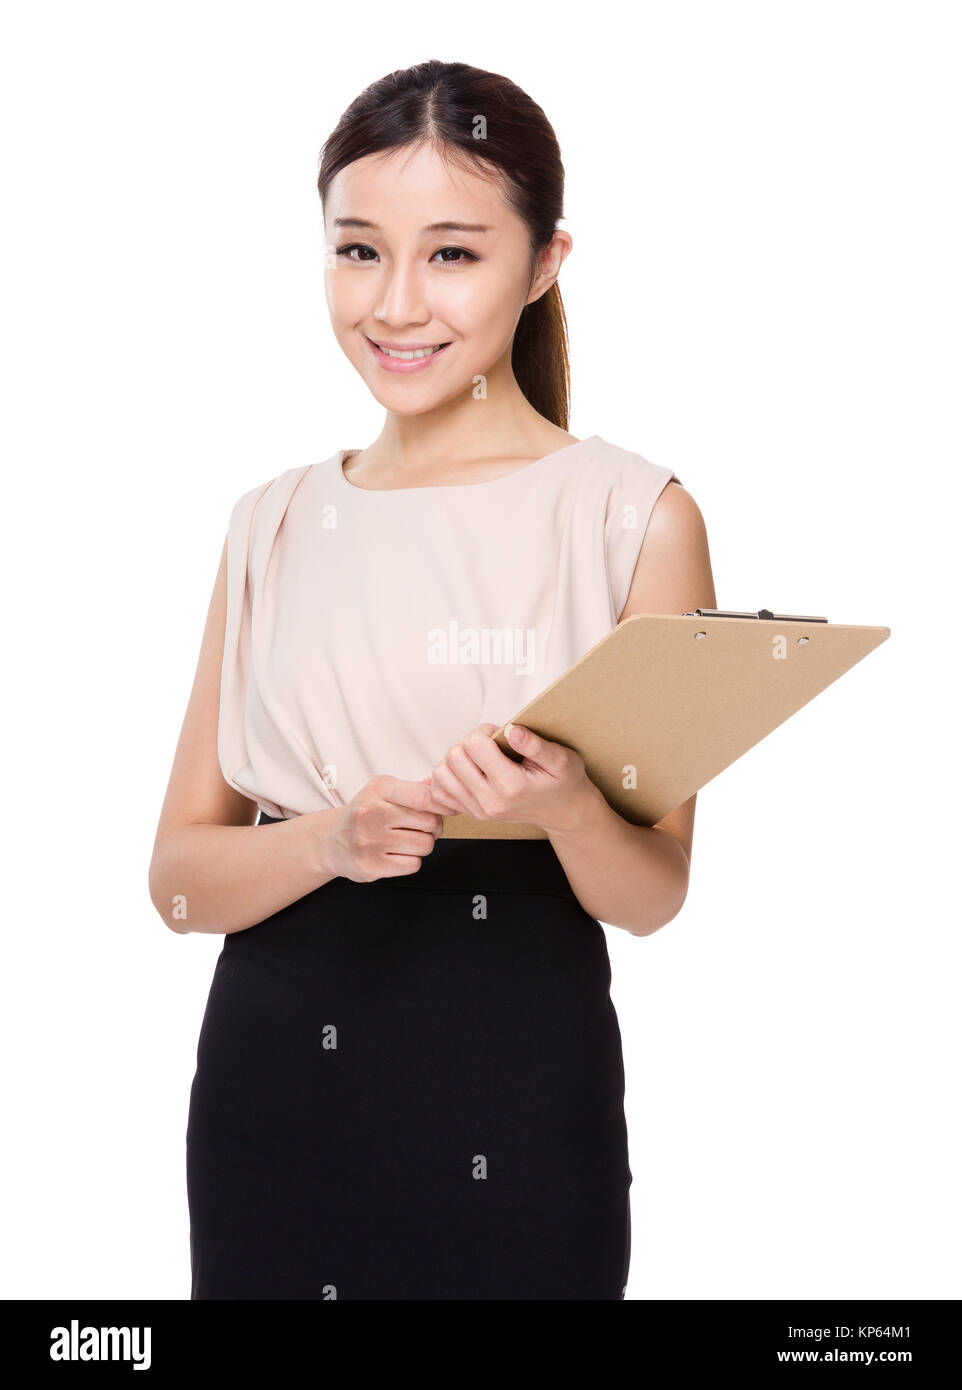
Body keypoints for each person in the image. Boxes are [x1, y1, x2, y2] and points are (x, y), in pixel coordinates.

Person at [149, 57, 716, 1301]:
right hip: (272, 1102)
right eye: (358, 251)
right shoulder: (273, 522)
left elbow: (653, 896)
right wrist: (333, 839)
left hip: (521, 1109)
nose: (394, 304)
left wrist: (565, 805)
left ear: (545, 261)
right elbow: (178, 882)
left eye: (451, 254)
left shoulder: (634, 516)